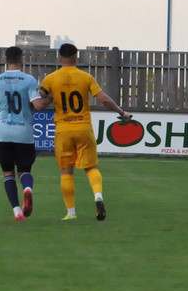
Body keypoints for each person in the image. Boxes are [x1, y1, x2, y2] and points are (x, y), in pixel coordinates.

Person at [39, 43, 130, 221]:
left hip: (63, 130)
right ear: (76, 58)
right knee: (91, 168)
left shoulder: (50, 79)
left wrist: (50, 97)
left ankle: (71, 213)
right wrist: (121, 112)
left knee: (66, 172)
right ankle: (98, 196)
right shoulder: (86, 77)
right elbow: (104, 99)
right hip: (83, 128)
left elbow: (40, 100)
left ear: (59, 58)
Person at [0, 46, 48, 222]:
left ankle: (17, 211)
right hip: (23, 132)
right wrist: (49, 98)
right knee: (24, 170)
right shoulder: (29, 80)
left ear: (6, 60)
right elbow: (38, 106)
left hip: (3, 133)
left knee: (8, 173)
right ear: (22, 58)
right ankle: (27, 189)